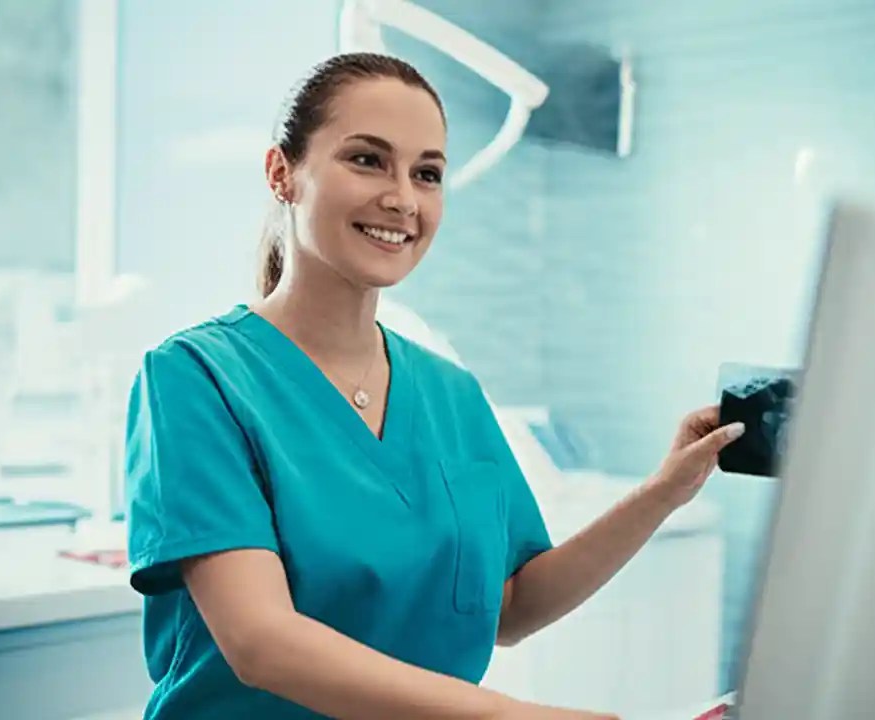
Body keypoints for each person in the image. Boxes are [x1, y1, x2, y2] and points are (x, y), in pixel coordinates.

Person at [125, 51, 746, 720]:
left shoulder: (450, 391)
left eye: (427, 173)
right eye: (367, 159)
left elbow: (512, 606)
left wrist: (663, 492)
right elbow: (263, 644)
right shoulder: (196, 379)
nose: (402, 198)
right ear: (282, 174)